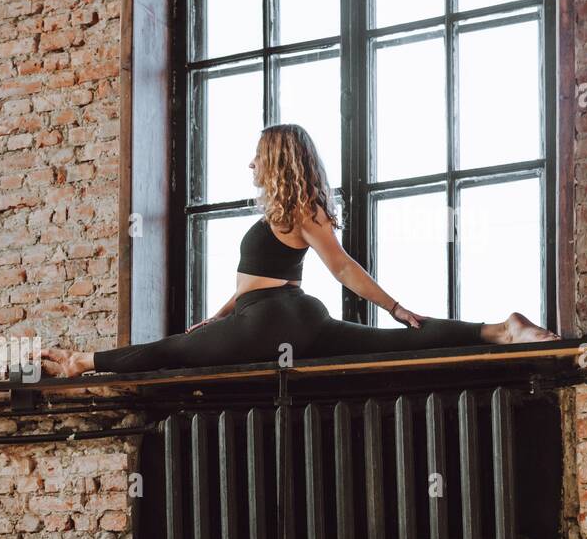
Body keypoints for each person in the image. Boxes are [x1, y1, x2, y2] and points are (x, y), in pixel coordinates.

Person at [41, 124, 558, 378]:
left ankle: (81, 362)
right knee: (389, 346)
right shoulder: (285, 212)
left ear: (276, 159)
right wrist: (216, 318)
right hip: (278, 317)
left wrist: (395, 306)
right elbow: (252, 281)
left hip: (275, 319)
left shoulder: (303, 210)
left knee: (175, 352)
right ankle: (501, 330)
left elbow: (340, 266)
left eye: (257, 157)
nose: (250, 165)